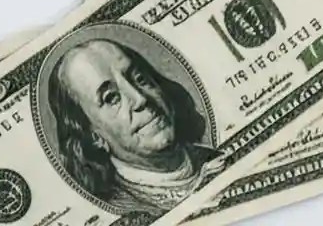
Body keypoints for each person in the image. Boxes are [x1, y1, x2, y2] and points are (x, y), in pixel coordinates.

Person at [47, 38, 223, 216]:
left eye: (139, 78)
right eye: (110, 98)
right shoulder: (123, 210)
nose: (140, 98)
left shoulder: (218, 159)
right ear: (93, 137)